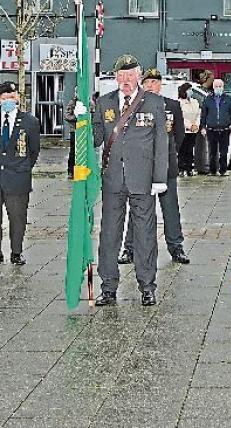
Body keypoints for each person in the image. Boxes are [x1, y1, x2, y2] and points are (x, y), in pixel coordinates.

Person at [91, 55, 169, 307]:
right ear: (115, 77)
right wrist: (78, 120)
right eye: (121, 76)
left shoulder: (154, 102)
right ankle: (108, 287)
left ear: (139, 76)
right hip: (113, 178)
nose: (125, 80)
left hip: (143, 180)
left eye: (130, 75)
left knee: (145, 234)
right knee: (109, 234)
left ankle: (147, 286)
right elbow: (94, 138)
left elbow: (161, 142)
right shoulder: (105, 103)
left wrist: (159, 178)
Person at [120, 68, 189, 265]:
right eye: (147, 82)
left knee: (170, 210)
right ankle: (130, 249)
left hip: (166, 166)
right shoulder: (135, 105)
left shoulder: (172, 106)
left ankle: (176, 248)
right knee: (138, 210)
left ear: (160, 84)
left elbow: (179, 136)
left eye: (154, 82)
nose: (151, 85)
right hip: (141, 168)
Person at [0, 82, 41, 266]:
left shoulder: (30, 121)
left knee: (18, 218)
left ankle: (16, 252)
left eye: (12, 97)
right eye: (4, 98)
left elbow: (34, 150)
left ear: (18, 99)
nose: (8, 101)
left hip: (17, 177)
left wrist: (22, 167)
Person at [200, 78, 231, 176]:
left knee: (223, 152)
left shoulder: (229, 100)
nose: (218, 88)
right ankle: (212, 171)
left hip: (225, 130)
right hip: (211, 130)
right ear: (213, 87)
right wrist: (203, 127)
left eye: (220, 86)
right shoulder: (207, 100)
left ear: (223, 87)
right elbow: (203, 115)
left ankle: (223, 170)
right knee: (212, 152)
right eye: (216, 86)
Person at [178, 82, 201, 177]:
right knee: (182, 149)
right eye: (189, 90)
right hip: (184, 130)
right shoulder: (180, 103)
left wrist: (196, 125)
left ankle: (189, 168)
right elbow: (180, 117)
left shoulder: (195, 102)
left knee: (190, 150)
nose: (190, 92)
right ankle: (181, 169)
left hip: (193, 130)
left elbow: (199, 114)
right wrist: (189, 125)